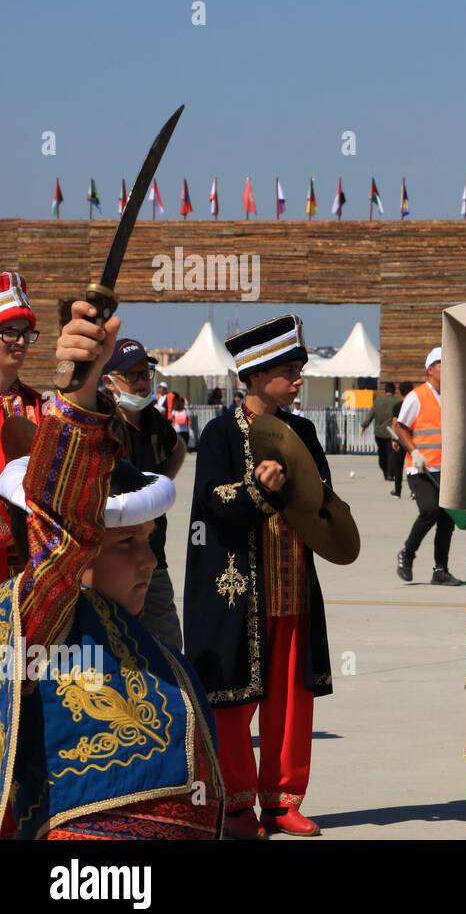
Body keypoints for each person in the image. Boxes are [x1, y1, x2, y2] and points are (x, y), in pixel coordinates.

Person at [0, 300, 222, 839]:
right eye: (124, 545)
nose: (147, 561)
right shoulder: (36, 627)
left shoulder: (164, 658)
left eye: (147, 541)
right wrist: (78, 395)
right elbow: (65, 526)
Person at [183, 315, 336, 839]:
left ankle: (283, 800)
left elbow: (322, 497)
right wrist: (259, 487)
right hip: (239, 591)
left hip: (293, 584)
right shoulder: (222, 432)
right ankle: (237, 806)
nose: (299, 379)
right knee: (233, 700)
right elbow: (214, 502)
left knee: (292, 697)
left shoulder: (305, 430)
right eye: (290, 369)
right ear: (255, 374)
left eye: (300, 368)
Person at [101, 337, 187, 651]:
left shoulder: (152, 418)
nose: (141, 382)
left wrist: (158, 490)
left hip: (153, 551)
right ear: (110, 381)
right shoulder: (101, 420)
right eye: (131, 375)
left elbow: (177, 450)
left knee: (168, 645)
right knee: (115, 642)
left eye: (144, 374)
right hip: (113, 557)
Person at [393, 348, 464, 585]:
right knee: (430, 510)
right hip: (421, 468)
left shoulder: (452, 396)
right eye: (441, 364)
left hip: (446, 468)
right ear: (430, 370)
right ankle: (407, 553)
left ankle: (440, 570)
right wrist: (414, 451)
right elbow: (401, 426)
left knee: (447, 519)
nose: (447, 369)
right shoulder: (417, 396)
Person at [0, 272, 44, 576]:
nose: (20, 341)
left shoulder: (38, 405)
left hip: (32, 560)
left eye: (26, 332)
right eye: (9, 331)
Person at [362, 381, 401, 481]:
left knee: (382, 453)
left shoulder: (378, 400)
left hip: (379, 433)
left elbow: (371, 414)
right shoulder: (397, 401)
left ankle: (385, 471)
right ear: (394, 391)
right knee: (391, 454)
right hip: (391, 433)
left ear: (385, 390)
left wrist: (364, 426)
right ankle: (390, 473)